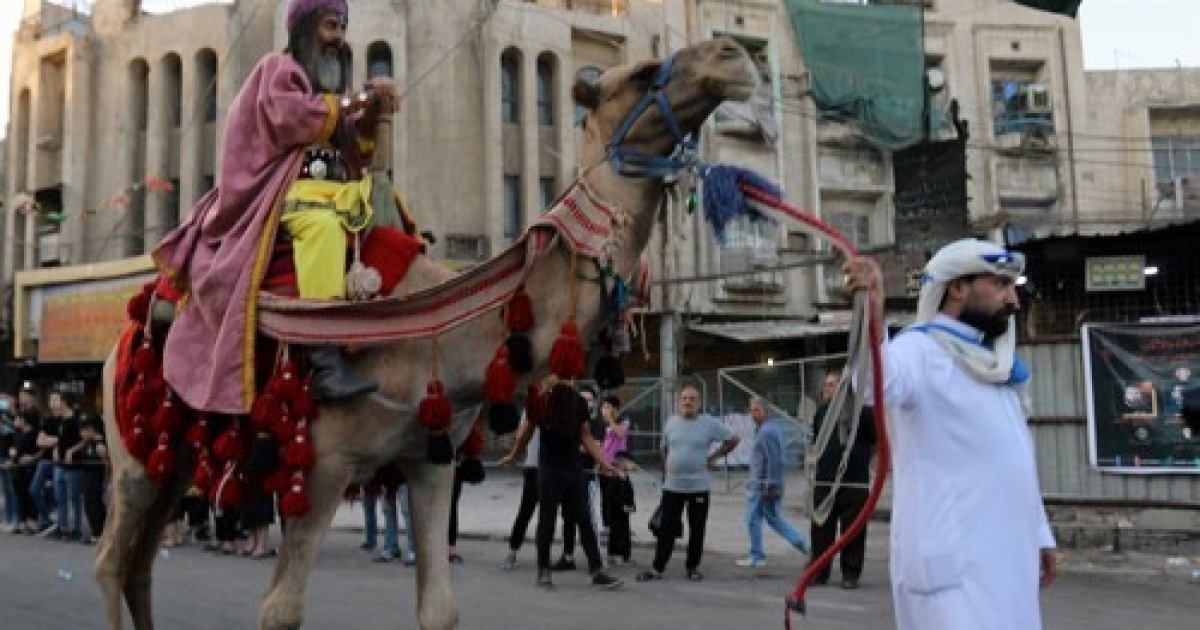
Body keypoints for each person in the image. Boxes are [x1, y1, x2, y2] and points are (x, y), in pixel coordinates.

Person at [153, 0, 417, 414]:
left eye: (343, 28)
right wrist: (360, 98)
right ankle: (324, 359)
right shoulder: (278, 69)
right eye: (331, 26)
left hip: (341, 195)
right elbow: (294, 119)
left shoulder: (323, 91)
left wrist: (371, 115)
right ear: (307, 27)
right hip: (285, 201)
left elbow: (352, 145)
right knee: (324, 229)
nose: (339, 38)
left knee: (394, 225)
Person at [843, 238, 1057, 630]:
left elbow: (1015, 462)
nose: (1014, 300)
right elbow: (875, 383)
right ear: (957, 287)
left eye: (1014, 287)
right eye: (1001, 286)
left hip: (1011, 556)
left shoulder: (995, 366)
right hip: (952, 568)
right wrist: (873, 318)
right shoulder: (920, 350)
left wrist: (1040, 535)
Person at [500, 375, 622, 589]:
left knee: (583, 519)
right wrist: (514, 455)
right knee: (547, 521)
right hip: (548, 471)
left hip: (573, 469)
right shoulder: (541, 401)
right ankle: (543, 570)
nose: (564, 381)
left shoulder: (579, 403)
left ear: (572, 379)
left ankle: (596, 570)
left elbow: (586, 437)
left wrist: (603, 462)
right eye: (558, 377)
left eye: (567, 377)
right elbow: (526, 434)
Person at [637, 384, 739, 582]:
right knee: (666, 528)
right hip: (672, 487)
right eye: (684, 398)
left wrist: (715, 457)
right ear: (678, 403)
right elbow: (664, 448)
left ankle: (692, 567)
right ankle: (658, 568)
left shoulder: (709, 423)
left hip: (698, 487)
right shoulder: (671, 423)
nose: (688, 402)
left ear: (699, 403)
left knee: (697, 528)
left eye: (692, 399)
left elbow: (733, 439)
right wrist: (666, 469)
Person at [806, 375, 875, 588]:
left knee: (852, 530)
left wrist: (860, 462)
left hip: (853, 482)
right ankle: (820, 571)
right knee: (821, 530)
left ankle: (850, 573)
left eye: (833, 384)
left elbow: (875, 441)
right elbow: (818, 440)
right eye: (825, 384)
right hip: (825, 481)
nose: (827, 388)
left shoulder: (861, 412)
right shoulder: (821, 413)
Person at [736, 396, 808, 570]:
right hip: (763, 484)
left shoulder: (766, 432)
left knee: (754, 519)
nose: (753, 414)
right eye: (752, 410)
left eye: (756, 410)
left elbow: (773, 460)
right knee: (773, 519)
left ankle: (757, 556)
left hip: (761, 485)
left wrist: (770, 485)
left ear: (765, 411)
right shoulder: (768, 430)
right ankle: (805, 546)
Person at [50, 391, 88, 541]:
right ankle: (62, 526)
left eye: (56, 400)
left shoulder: (76, 419)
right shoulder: (60, 420)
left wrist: (73, 450)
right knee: (60, 497)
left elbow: (85, 439)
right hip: (59, 463)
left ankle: (76, 528)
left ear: (64, 402)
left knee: (74, 497)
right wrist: (55, 449)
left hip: (73, 465)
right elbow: (61, 439)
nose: (53, 404)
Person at [75, 418, 109, 544]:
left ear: (91, 430)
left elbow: (106, 461)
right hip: (88, 474)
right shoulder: (87, 442)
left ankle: (99, 532)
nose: (81, 434)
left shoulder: (99, 443)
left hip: (96, 476)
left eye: (83, 431)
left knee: (95, 504)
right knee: (88, 504)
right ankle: (95, 531)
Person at [601, 451, 637, 564]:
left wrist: (632, 506)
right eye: (630, 463)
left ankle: (626, 555)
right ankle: (612, 555)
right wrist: (622, 506)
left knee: (625, 533)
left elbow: (630, 494)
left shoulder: (626, 478)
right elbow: (612, 495)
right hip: (616, 511)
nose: (633, 465)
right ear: (622, 463)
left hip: (625, 511)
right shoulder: (614, 478)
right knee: (615, 532)